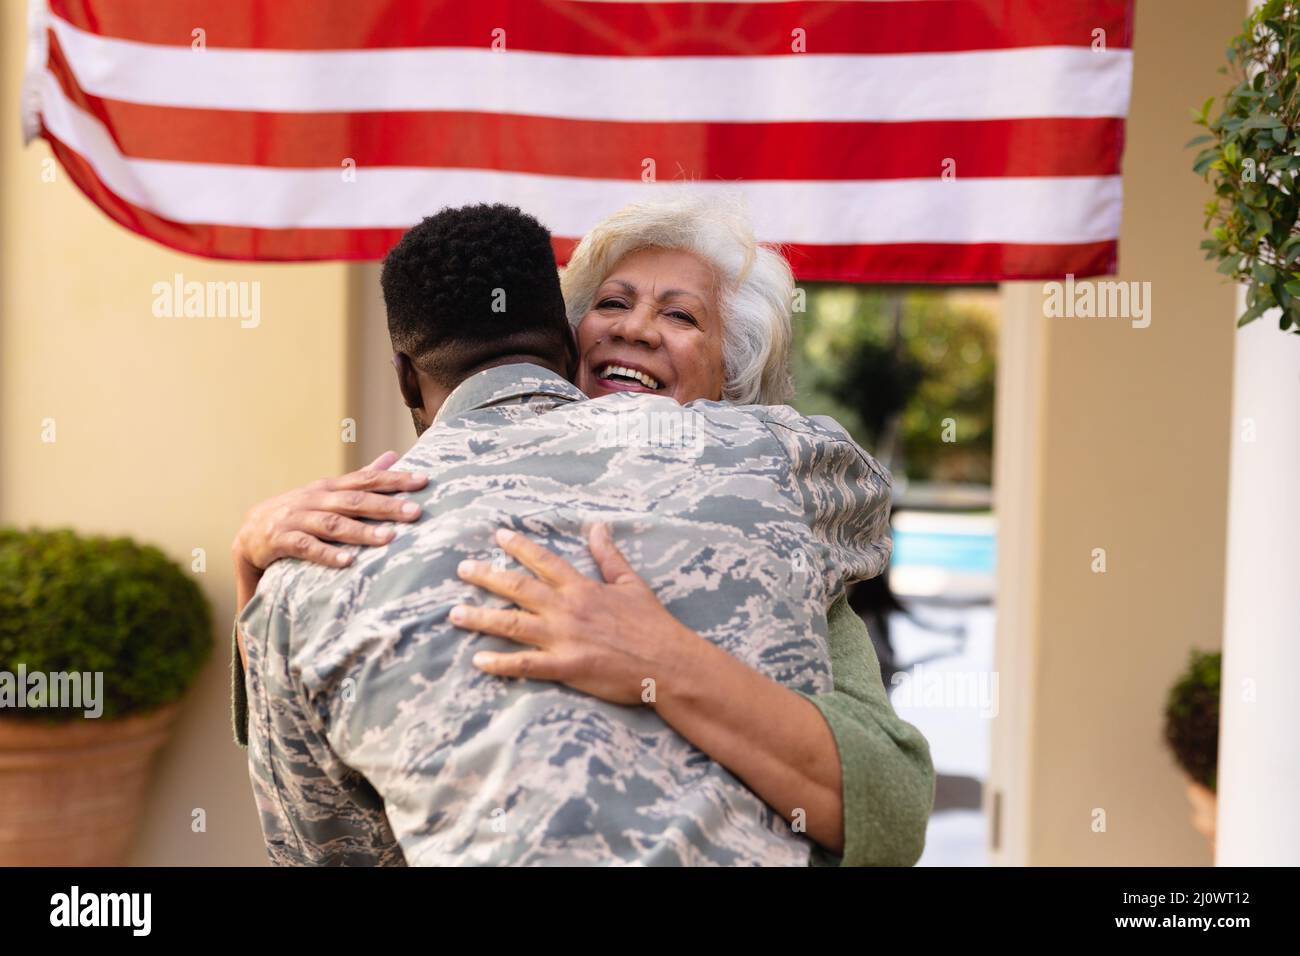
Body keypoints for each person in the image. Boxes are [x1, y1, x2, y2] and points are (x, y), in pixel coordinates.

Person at [234, 196, 934, 865]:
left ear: (734, 386)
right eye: (612, 304)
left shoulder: (769, 489)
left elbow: (891, 813)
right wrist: (257, 570)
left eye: (682, 317)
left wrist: (664, 662)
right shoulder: (369, 527)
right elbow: (334, 752)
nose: (633, 329)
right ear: (563, 342)